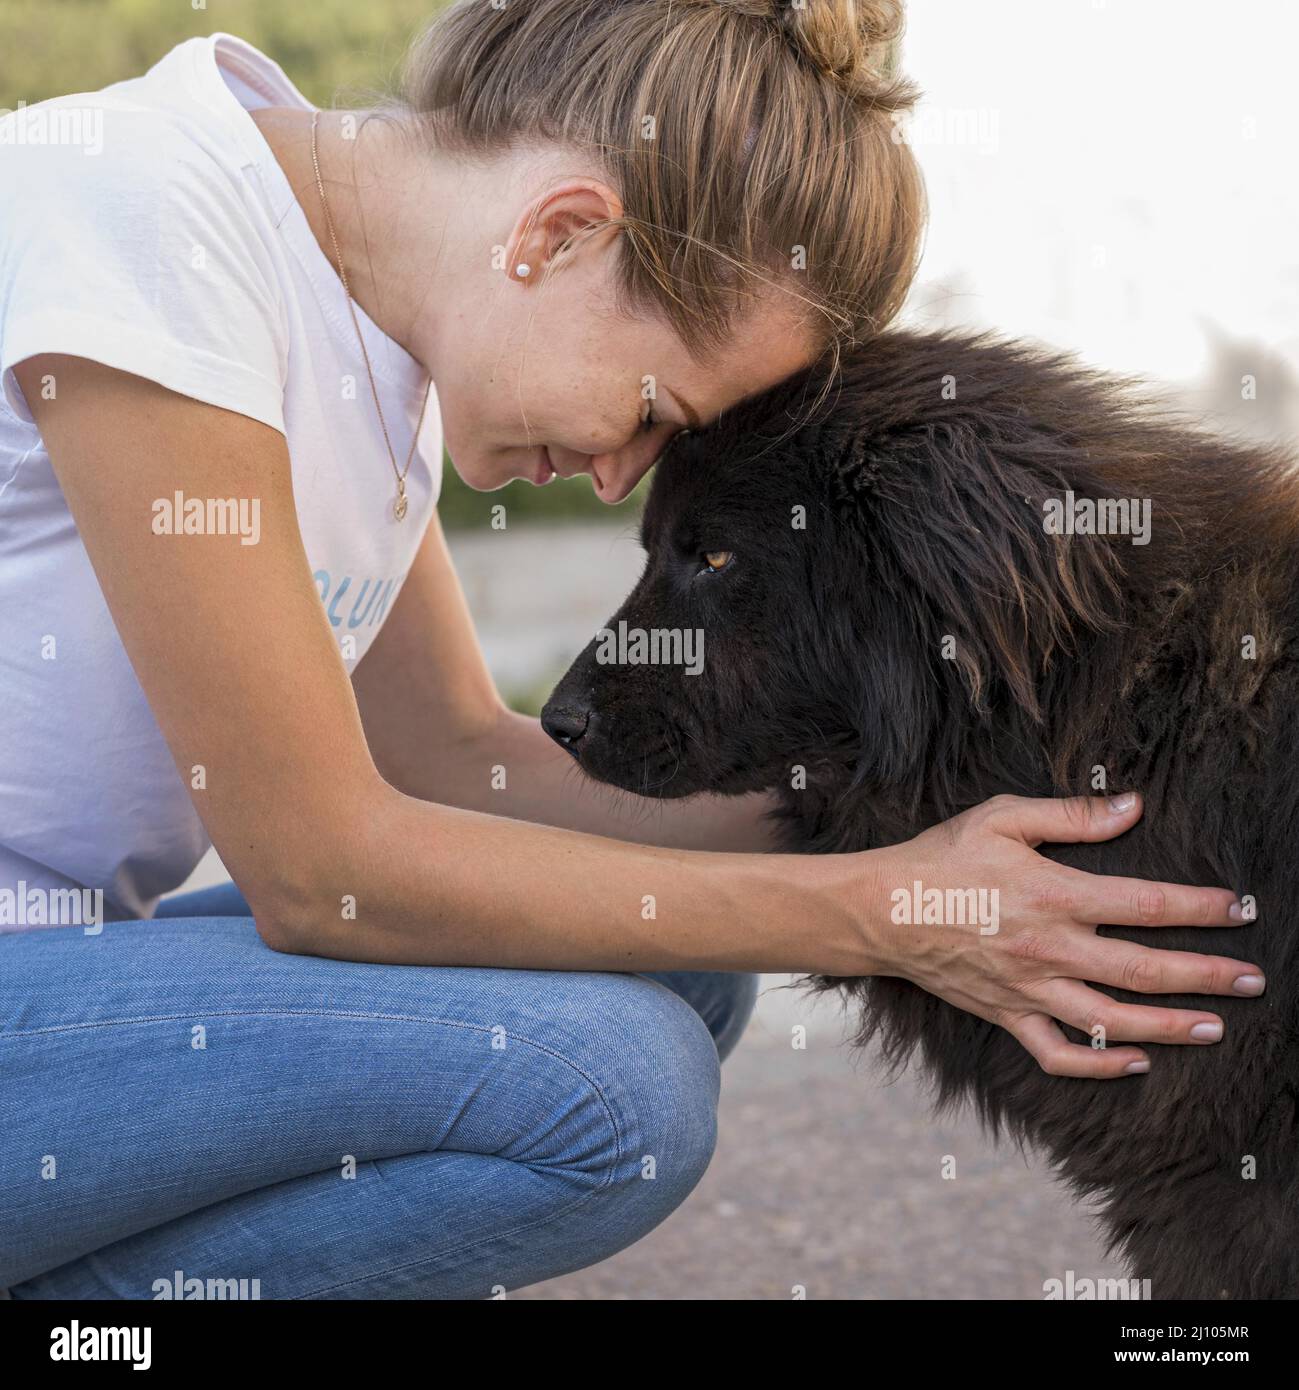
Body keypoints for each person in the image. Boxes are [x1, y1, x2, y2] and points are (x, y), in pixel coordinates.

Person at [0, 1, 1261, 1300]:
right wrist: (888, 911)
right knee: (605, 1086)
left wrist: (970, 843)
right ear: (559, 234)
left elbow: (454, 757)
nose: (619, 477)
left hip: (54, 965)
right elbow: (323, 871)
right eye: (654, 407)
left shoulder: (371, 335)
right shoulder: (151, 216)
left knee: (679, 957)